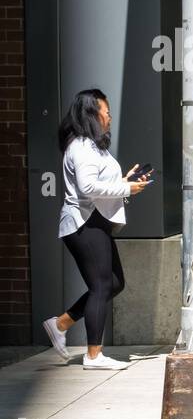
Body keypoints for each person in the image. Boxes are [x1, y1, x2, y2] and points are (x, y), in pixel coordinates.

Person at [43, 89, 152, 369]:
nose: (110, 117)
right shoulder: (81, 146)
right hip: (82, 223)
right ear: (92, 113)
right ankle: (94, 355)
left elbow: (101, 185)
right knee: (102, 285)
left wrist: (127, 181)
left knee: (114, 283)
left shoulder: (94, 146)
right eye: (106, 111)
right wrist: (126, 187)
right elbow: (88, 188)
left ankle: (60, 324)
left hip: (94, 222)